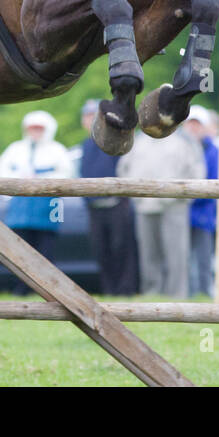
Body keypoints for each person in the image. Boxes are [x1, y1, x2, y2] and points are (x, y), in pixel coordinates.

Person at [116, 128, 204, 298]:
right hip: (145, 206)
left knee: (176, 254)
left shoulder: (184, 140)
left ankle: (177, 293)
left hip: (174, 206)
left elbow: (197, 171)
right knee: (148, 254)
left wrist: (184, 198)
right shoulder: (137, 141)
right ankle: (152, 291)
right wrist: (135, 196)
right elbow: (123, 168)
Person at [0, 110, 74, 295]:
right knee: (20, 249)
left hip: (48, 207)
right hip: (21, 208)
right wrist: (20, 178)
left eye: (39, 128)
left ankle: (47, 288)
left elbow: (66, 173)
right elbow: (2, 169)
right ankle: (22, 287)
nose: (35, 132)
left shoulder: (57, 150)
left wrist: (40, 179)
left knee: (46, 249)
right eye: (32, 128)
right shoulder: (16, 149)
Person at [78, 99, 139, 295]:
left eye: (94, 116)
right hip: (95, 207)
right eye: (87, 117)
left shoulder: (116, 140)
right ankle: (109, 290)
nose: (91, 120)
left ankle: (125, 290)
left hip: (116, 203)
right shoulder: (86, 146)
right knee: (101, 251)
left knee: (121, 249)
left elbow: (126, 169)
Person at [183, 106, 219, 297]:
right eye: (191, 124)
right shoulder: (180, 147)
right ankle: (187, 293)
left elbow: (213, 182)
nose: (193, 128)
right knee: (183, 258)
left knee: (203, 257)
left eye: (197, 125)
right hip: (182, 212)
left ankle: (205, 292)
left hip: (202, 212)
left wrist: (189, 197)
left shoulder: (212, 151)